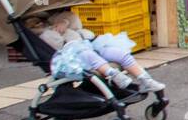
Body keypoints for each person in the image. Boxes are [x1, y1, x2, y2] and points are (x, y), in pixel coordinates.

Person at [27, 9, 166, 93]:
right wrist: (54, 30)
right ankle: (114, 75)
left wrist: (64, 22)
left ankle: (145, 79)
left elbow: (75, 21)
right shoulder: (44, 35)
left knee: (118, 53)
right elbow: (56, 44)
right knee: (90, 56)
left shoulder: (58, 19)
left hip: (90, 45)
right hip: (71, 58)